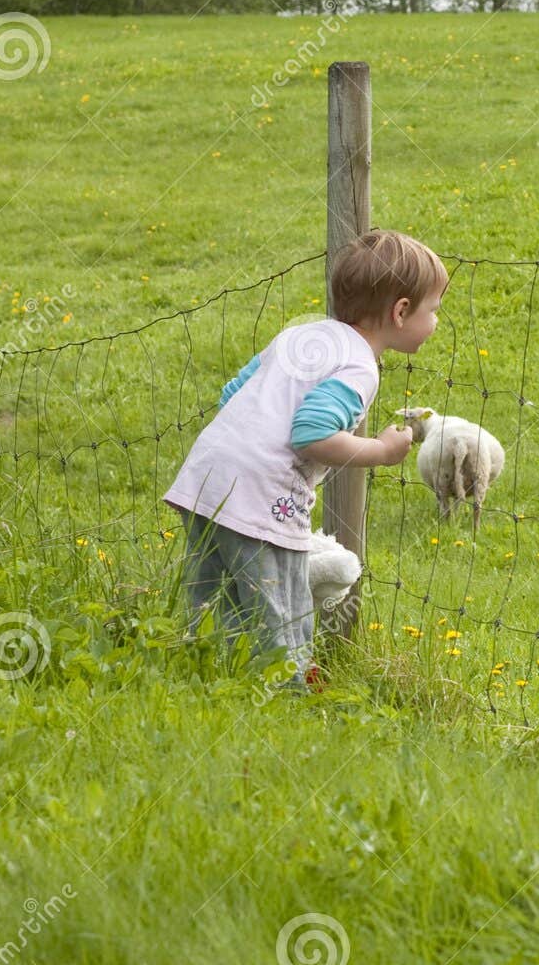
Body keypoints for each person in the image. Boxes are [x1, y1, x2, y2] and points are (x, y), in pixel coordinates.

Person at [163, 230, 446, 686]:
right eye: (433, 310)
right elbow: (311, 435)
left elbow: (232, 393)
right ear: (401, 311)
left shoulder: (301, 335)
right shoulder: (358, 366)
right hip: (262, 495)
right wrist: (381, 450)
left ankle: (198, 680)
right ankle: (282, 699)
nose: (436, 321)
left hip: (208, 478)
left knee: (211, 598)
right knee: (281, 616)